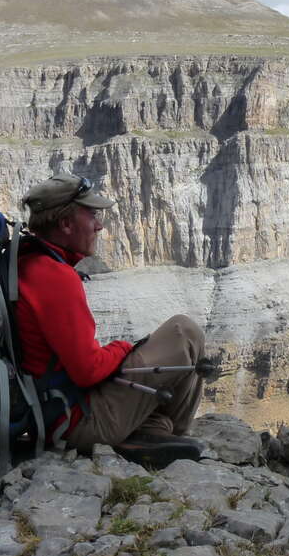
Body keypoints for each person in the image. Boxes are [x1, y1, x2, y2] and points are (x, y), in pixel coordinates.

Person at [16, 172, 209, 466]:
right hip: (77, 422)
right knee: (184, 332)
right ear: (66, 224)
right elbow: (87, 371)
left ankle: (147, 434)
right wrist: (122, 348)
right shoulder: (54, 276)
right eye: (91, 215)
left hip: (50, 411)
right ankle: (156, 437)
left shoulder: (25, 261)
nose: (99, 225)